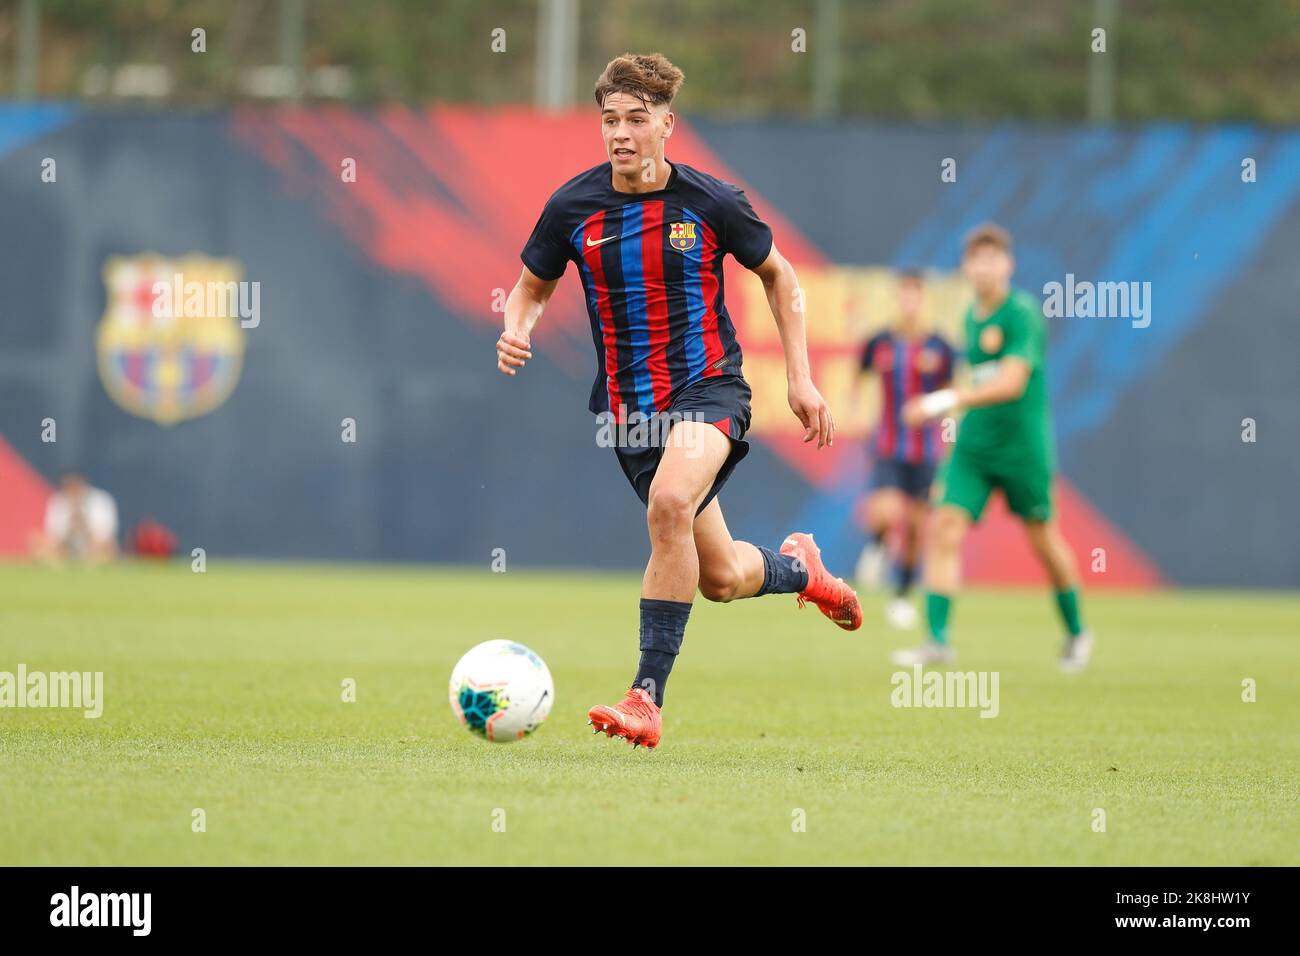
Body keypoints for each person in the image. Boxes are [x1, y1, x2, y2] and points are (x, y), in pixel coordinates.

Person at [497, 52, 862, 750]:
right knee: (721, 577)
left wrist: (800, 376)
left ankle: (645, 697)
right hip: (632, 417)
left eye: (637, 119)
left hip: (708, 391)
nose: (621, 133)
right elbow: (530, 288)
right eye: (610, 120)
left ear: (668, 124)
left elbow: (781, 278)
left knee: (670, 504)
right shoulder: (572, 206)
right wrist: (517, 328)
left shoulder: (712, 201)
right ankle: (802, 571)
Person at [895, 223, 1093, 672]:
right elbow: (981, 381)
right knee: (944, 526)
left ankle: (1077, 632)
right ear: (966, 267)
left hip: (1023, 448)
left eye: (991, 258)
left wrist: (944, 401)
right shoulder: (971, 316)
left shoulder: (1021, 313)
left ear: (1008, 264)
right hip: (975, 447)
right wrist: (954, 405)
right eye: (974, 259)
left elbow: (1012, 382)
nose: (983, 268)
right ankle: (937, 641)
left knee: (1043, 540)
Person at [851, 270, 956, 629]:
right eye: (904, 295)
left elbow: (954, 393)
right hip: (888, 444)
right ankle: (878, 543)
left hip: (925, 451)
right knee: (885, 511)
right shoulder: (879, 342)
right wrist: (858, 416)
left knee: (915, 528)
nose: (910, 303)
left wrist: (946, 428)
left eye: (916, 295)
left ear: (924, 300)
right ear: (898, 299)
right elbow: (857, 378)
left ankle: (900, 598)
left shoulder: (940, 347)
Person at [31, 474, 119, 566]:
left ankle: (92, 565)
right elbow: (54, 536)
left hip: (91, 546)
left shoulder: (100, 500)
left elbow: (104, 536)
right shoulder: (58, 500)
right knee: (37, 543)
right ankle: (61, 566)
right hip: (67, 547)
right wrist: (71, 525)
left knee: (107, 548)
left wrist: (82, 523)